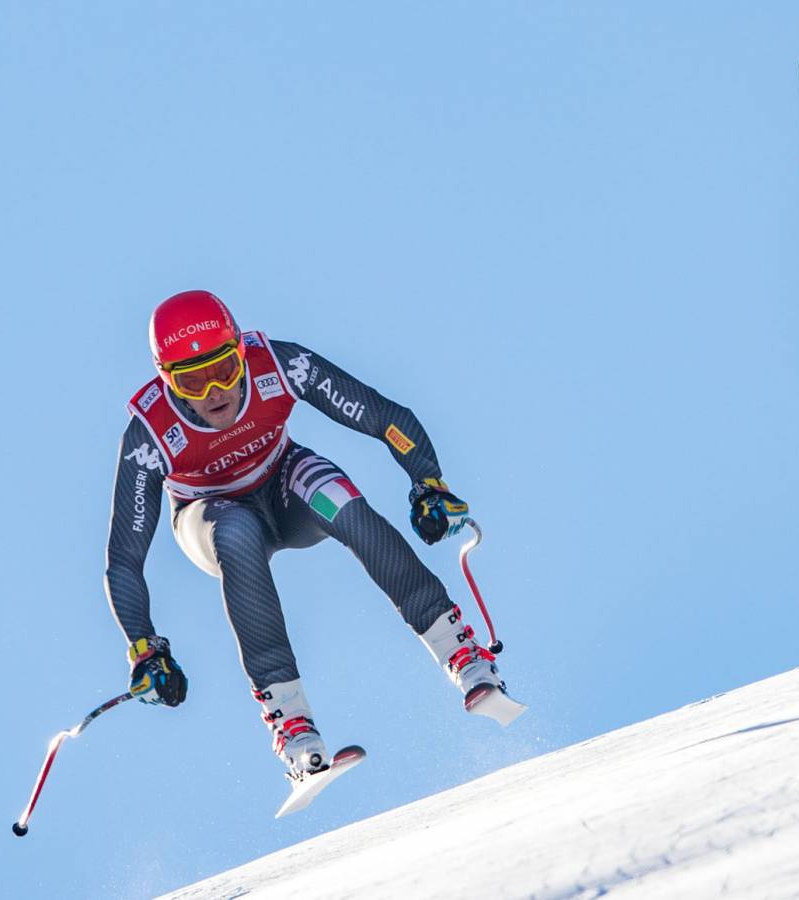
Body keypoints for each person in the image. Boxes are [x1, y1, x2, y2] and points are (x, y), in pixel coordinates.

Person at [105, 289, 523, 781]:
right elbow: (125, 560)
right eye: (192, 382)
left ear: (242, 353)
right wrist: (145, 646)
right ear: (167, 381)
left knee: (337, 496)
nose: (213, 393)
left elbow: (386, 418)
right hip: (207, 511)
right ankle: (292, 724)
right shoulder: (148, 435)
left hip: (283, 486)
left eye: (223, 371)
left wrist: (428, 483)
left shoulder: (281, 365)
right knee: (236, 533)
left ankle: (462, 653)